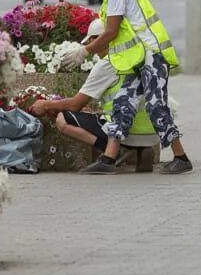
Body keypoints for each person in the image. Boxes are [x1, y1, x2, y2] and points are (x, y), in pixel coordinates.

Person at [78, 0, 191, 175]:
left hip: (150, 58)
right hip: (137, 59)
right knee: (123, 103)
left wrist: (84, 51)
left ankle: (181, 157)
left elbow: (110, 32)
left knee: (156, 106)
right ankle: (108, 159)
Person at [29, 20, 162, 169]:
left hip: (122, 132)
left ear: (97, 40)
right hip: (151, 131)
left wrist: (46, 104)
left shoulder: (107, 63)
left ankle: (115, 151)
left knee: (63, 119)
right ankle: (142, 149)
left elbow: (75, 105)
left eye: (91, 40)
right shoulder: (136, 56)